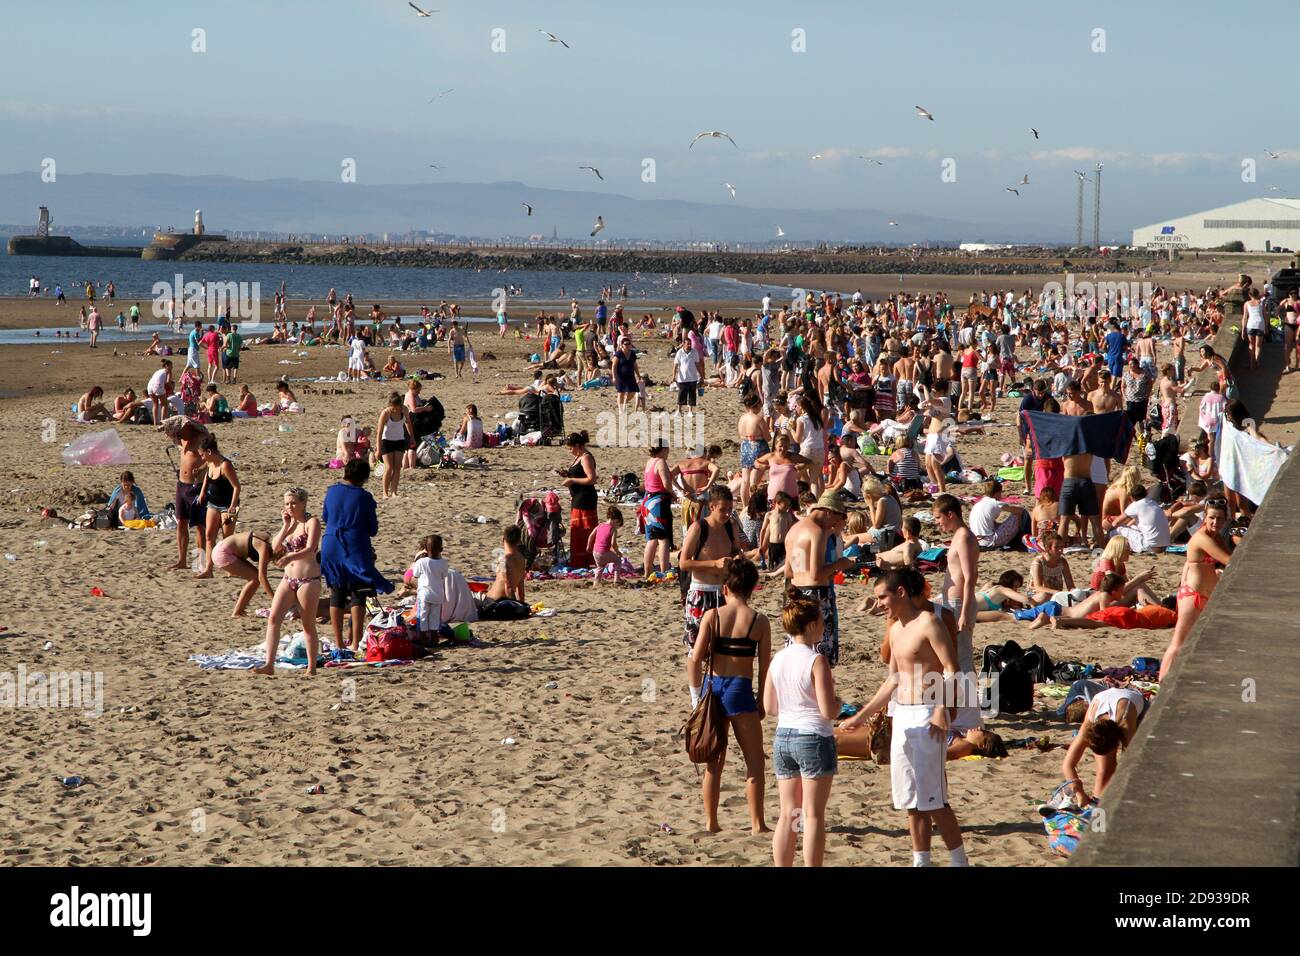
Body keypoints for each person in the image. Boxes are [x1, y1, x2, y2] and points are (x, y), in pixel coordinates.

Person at [841, 569, 968, 867]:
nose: (879, 603)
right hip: (903, 714)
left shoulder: (930, 622)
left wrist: (941, 708)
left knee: (934, 798)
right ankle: (920, 860)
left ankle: (959, 861)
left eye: (882, 597)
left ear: (900, 593)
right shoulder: (895, 628)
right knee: (910, 796)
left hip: (927, 711)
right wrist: (862, 715)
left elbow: (951, 668)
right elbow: (893, 679)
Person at [688, 557, 773, 836]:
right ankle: (757, 824)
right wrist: (761, 700)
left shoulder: (712, 616)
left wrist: (696, 696)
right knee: (754, 762)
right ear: (752, 589)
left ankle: (711, 822)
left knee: (715, 760)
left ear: (725, 588)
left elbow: (695, 659)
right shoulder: (759, 621)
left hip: (714, 688)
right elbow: (764, 667)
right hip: (740, 688)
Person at [322, 459, 393, 651]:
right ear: (365, 477)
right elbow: (372, 529)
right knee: (358, 592)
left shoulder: (331, 491)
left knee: (336, 592)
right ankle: (355, 642)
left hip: (331, 543)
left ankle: (338, 643)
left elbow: (326, 518)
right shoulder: (364, 497)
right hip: (354, 544)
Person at [783, 489, 858, 666]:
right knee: (819, 656)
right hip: (817, 595)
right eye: (836, 519)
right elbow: (816, 574)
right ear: (829, 512)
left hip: (796, 592)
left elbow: (788, 571)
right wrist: (839, 565)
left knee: (797, 650)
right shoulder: (816, 532)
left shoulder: (793, 530)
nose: (834, 525)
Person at [254, 488, 323, 676]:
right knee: (274, 618)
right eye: (286, 504)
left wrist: (290, 556)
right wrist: (285, 527)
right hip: (288, 578)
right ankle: (269, 664)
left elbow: (311, 548)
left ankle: (311, 668)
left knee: (308, 625)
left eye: (293, 503)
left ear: (303, 503)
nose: (289, 507)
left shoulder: (312, 522)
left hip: (308, 580)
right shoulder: (291, 524)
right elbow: (275, 547)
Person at [1161, 497, 1232, 679]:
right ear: (1205, 517)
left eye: (1220, 519)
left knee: (1194, 644)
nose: (1216, 522)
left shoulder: (1214, 537)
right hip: (1193, 596)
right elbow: (1229, 561)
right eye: (1212, 518)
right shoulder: (1202, 538)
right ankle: (1162, 682)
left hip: (1203, 596)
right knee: (1178, 643)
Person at [931, 494, 982, 735]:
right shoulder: (959, 537)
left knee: (961, 658)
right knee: (953, 655)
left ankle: (970, 713)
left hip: (960, 602)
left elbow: (971, 577)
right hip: (952, 601)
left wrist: (963, 613)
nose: (938, 523)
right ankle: (962, 709)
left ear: (951, 514)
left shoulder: (964, 537)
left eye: (939, 518)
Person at [678, 484, 744, 652]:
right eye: (723, 509)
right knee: (697, 648)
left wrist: (738, 558)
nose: (728, 513)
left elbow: (736, 550)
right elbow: (684, 563)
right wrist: (713, 564)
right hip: (701, 592)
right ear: (712, 506)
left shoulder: (732, 526)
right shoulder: (699, 528)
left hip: (725, 593)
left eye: (730, 508)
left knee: (723, 647)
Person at [1060, 686, 1149, 806]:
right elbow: (1067, 765)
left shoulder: (1126, 724)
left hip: (1137, 707)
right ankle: (1097, 804)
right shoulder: (1089, 725)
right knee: (1103, 770)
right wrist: (1079, 793)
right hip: (1104, 700)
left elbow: (1132, 764)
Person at [194, 434, 240, 578]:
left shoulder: (225, 465)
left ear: (209, 452)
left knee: (227, 539)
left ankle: (230, 568)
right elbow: (208, 477)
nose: (201, 458)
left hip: (227, 506)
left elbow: (237, 487)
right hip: (213, 504)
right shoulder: (210, 463)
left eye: (202, 455)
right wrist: (202, 492)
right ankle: (209, 569)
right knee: (209, 536)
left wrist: (232, 507)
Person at [211, 527, 275, 617]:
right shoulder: (263, 546)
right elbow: (262, 577)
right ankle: (237, 612)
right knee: (255, 578)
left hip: (223, 549)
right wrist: (275, 599)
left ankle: (239, 611)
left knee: (255, 577)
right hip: (222, 553)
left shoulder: (265, 540)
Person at [558, 431, 599, 567]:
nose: (570, 451)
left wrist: (571, 479)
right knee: (578, 530)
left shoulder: (586, 457)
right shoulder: (579, 457)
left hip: (585, 498)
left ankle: (587, 560)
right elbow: (580, 474)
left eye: (571, 448)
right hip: (577, 497)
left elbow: (592, 479)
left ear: (578, 446)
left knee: (585, 529)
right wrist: (567, 474)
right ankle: (580, 561)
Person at [640, 442, 676, 576]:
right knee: (663, 539)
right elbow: (666, 484)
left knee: (652, 539)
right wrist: (673, 494)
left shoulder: (650, 462)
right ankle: (664, 571)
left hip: (646, 502)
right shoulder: (661, 462)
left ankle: (647, 571)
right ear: (664, 449)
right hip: (657, 504)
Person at [1109, 484, 1171, 554]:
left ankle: (1108, 545)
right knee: (1133, 527)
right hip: (1164, 545)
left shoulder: (1136, 505)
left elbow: (1115, 523)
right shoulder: (1153, 503)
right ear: (1146, 493)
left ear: (1132, 497)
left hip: (1150, 546)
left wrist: (1109, 530)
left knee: (1116, 530)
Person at [411, 534, 451, 641]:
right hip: (438, 594)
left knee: (423, 614)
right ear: (441, 549)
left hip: (424, 593)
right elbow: (444, 575)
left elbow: (415, 574)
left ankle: (423, 636)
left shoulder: (421, 562)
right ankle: (434, 636)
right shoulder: (443, 563)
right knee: (435, 616)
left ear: (425, 549)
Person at [375, 391, 414, 499]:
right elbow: (379, 432)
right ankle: (385, 493)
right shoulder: (386, 413)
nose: (395, 410)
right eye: (393, 407)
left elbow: (408, 423)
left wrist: (411, 437)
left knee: (397, 467)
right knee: (389, 467)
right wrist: (378, 449)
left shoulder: (404, 410)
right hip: (386, 441)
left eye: (397, 407)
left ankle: (394, 492)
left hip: (399, 440)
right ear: (390, 405)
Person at [968, 479, 1026, 550]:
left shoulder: (977, 504)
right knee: (1017, 514)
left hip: (976, 540)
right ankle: (1020, 537)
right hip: (990, 541)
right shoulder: (995, 503)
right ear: (997, 493)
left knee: (996, 523)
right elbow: (1019, 510)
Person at [589, 506, 625, 586]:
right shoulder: (613, 530)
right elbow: (613, 543)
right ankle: (617, 579)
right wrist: (617, 552)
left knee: (600, 566)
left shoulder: (600, 525)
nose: (617, 526)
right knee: (618, 560)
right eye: (617, 524)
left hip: (595, 552)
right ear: (616, 520)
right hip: (603, 552)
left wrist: (588, 546)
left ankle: (596, 581)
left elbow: (591, 536)